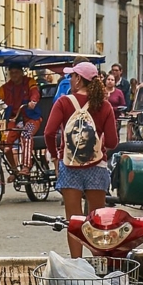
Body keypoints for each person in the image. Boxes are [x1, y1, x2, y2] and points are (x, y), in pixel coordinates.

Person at [44, 62, 119, 258]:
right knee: (97, 219)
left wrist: (56, 157)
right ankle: (98, 262)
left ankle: (76, 263)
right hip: (97, 167)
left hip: (70, 167)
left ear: (78, 79)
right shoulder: (105, 106)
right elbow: (113, 142)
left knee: (74, 220)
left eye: (72, 76)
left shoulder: (63, 102)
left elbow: (49, 133)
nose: (70, 79)